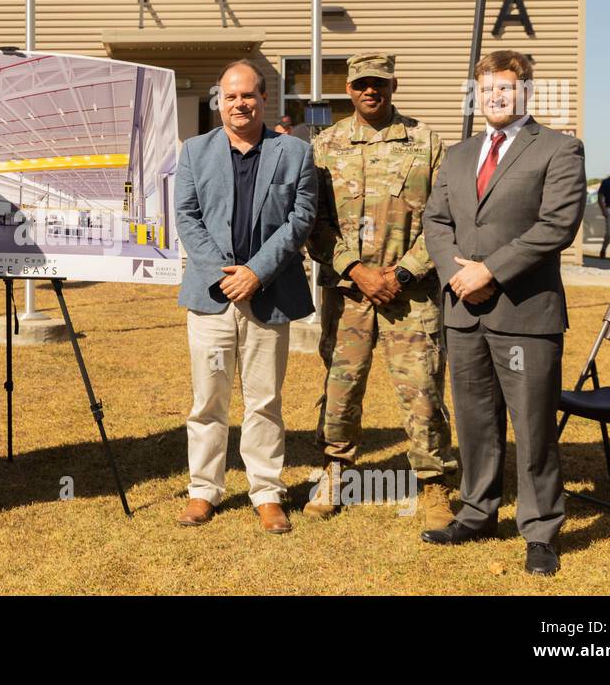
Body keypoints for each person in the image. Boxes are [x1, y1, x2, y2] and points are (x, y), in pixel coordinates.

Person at [422, 50, 586, 576]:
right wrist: (455, 273)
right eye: (487, 88)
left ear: (526, 92)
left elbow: (557, 225)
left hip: (526, 312)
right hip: (463, 310)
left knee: (534, 426)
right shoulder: (457, 154)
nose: (495, 96)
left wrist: (488, 270)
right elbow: (435, 220)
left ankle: (540, 531)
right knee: (474, 422)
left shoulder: (560, 149)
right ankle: (476, 513)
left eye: (506, 88)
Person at [304, 53, 457, 528]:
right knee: (341, 386)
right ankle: (335, 471)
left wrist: (402, 274)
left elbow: (444, 219)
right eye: (362, 84)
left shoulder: (428, 143)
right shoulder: (324, 145)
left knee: (423, 389)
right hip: (350, 293)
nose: (371, 91)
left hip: (410, 296)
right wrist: (357, 269)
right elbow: (314, 222)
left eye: (380, 83)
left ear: (393, 85)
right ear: (348, 89)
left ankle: (434, 484)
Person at [174, 59, 317, 534]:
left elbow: (300, 220)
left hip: (269, 295)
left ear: (263, 100)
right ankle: (203, 490)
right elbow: (187, 217)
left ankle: (266, 491)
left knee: (264, 400)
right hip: (212, 298)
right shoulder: (194, 152)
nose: (240, 103)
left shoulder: (294, 152)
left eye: (249, 95)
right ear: (220, 101)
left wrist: (255, 273)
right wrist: (224, 274)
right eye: (231, 96)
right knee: (208, 400)